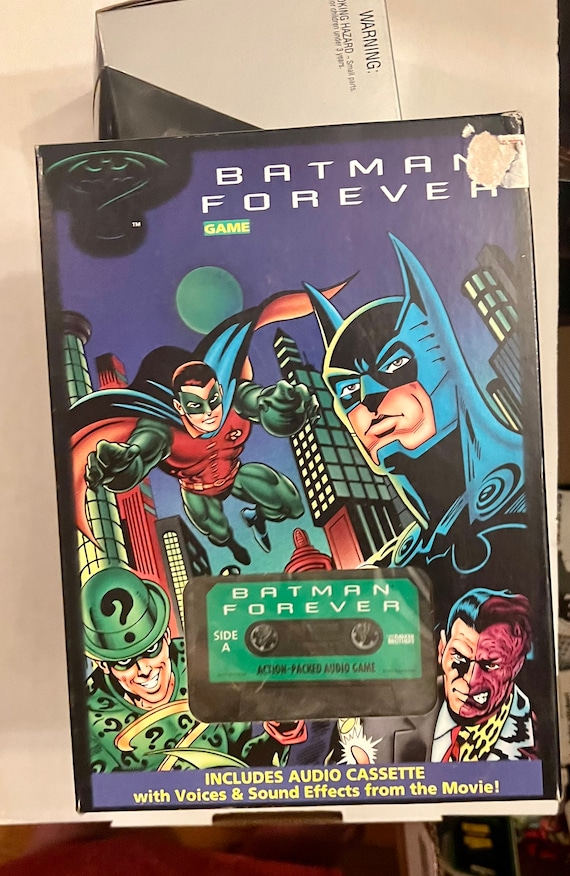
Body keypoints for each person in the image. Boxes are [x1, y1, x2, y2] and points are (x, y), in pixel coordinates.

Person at [82, 567, 306, 771]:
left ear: (166, 636)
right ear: (104, 666)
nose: (144, 669)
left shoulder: (208, 663)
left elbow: (249, 761)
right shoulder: (89, 720)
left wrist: (280, 731)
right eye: (125, 662)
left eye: (151, 649)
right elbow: (106, 792)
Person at [431, 587, 536, 761]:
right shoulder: (407, 710)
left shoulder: (533, 747)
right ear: (442, 650)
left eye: (489, 665)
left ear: (516, 666)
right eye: (459, 657)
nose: (471, 679)